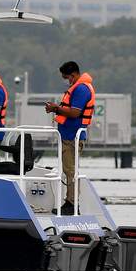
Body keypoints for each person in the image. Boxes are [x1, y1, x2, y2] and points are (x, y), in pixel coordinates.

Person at [45, 61, 95, 215]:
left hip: (72, 138)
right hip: (68, 136)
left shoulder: (81, 89)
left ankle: (72, 204)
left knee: (70, 171)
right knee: (69, 170)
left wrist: (55, 108)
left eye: (65, 77)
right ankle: (70, 202)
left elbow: (74, 113)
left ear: (73, 75)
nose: (65, 81)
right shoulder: (78, 87)